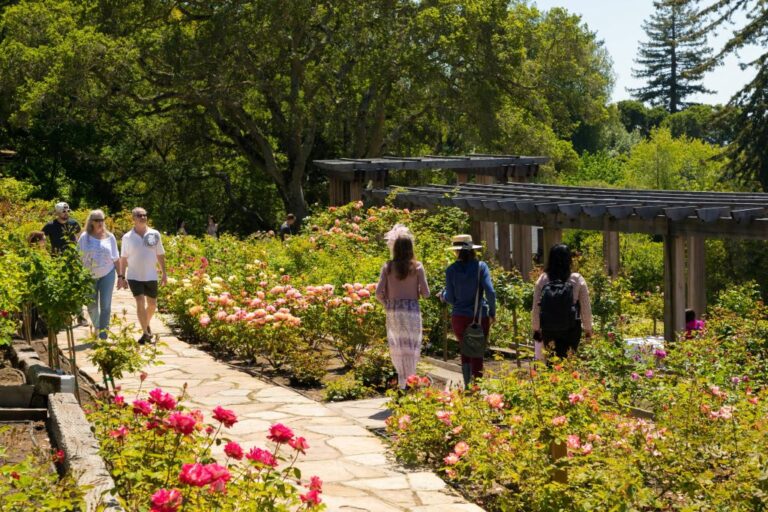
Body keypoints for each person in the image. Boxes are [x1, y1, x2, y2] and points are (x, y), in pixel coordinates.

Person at [375, 224, 430, 389]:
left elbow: (378, 293)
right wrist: (416, 293)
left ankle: (402, 383)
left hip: (394, 313)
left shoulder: (388, 267)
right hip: (412, 311)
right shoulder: (418, 267)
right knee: (411, 347)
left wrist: (388, 305)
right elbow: (426, 293)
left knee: (397, 347)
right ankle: (411, 383)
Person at [441, 234, 496, 387]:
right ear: (472, 249)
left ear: (456, 251)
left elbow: (451, 298)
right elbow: (490, 292)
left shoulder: (451, 269)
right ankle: (476, 389)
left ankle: (467, 385)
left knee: (465, 351)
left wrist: (443, 295)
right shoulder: (481, 267)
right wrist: (492, 312)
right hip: (478, 316)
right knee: (477, 354)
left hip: (459, 317)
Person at [532, 244, 593, 360]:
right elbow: (585, 307)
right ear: (569, 260)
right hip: (571, 328)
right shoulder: (577, 279)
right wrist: (588, 329)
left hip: (548, 328)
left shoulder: (543, 279)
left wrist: (536, 328)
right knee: (568, 362)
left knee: (551, 361)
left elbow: (536, 307)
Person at [119, 207, 167, 344]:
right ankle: (146, 333)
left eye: (145, 215)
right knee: (140, 301)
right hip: (134, 276)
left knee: (152, 305)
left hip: (151, 275)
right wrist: (121, 276)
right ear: (133, 218)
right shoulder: (127, 237)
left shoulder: (154, 234)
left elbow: (160, 254)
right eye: (140, 215)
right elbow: (123, 258)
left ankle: (146, 326)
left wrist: (164, 273)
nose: (143, 217)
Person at [77, 210, 119, 339]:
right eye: (97, 220)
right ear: (91, 222)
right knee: (91, 305)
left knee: (106, 305)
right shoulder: (85, 237)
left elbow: (116, 258)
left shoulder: (110, 237)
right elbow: (78, 257)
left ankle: (103, 334)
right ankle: (97, 326)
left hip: (108, 273)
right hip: (89, 275)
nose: (100, 222)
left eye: (102, 220)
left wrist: (121, 276)